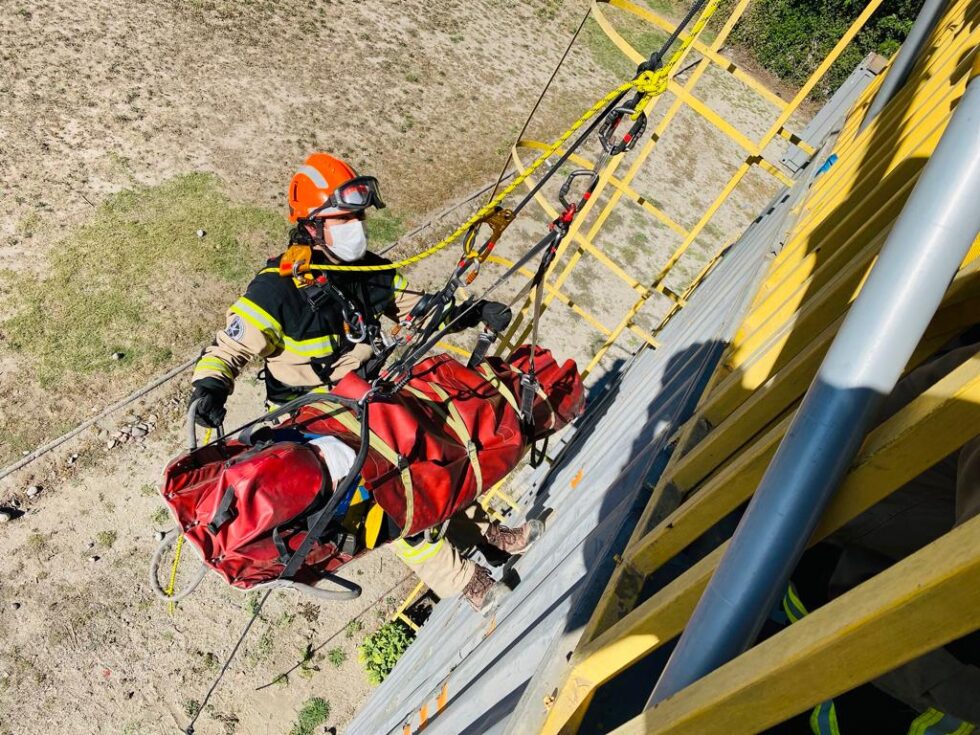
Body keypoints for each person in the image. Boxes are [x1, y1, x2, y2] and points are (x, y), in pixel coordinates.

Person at [186, 152, 536, 612]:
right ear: (310, 226)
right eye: (342, 218)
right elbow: (228, 348)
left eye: (358, 217)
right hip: (315, 420)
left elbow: (416, 306)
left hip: (371, 395)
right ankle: (463, 578)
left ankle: (486, 537)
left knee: (436, 453)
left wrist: (468, 313)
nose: (356, 227)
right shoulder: (277, 290)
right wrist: (210, 388)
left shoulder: (367, 272)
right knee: (391, 491)